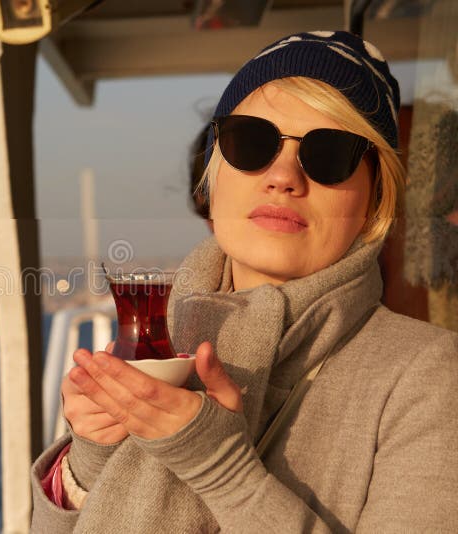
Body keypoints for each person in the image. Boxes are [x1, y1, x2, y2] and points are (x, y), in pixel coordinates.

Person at [30, 30, 458, 532]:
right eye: (251, 142)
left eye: (330, 154)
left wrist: (221, 469)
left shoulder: (429, 376)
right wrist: (88, 459)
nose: (284, 177)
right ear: (213, 177)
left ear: (375, 200)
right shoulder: (163, 350)